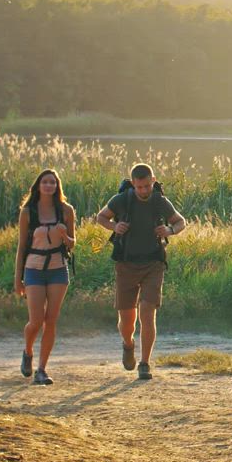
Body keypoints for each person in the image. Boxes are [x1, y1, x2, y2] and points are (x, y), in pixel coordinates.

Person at [96, 163, 185, 381]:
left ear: (153, 181)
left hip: (153, 263)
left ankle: (145, 363)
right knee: (127, 320)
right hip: (126, 263)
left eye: (147, 186)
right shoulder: (122, 200)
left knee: (147, 312)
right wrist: (114, 227)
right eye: (139, 187)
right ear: (133, 184)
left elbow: (181, 221)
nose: (144, 191)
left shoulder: (159, 201)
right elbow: (101, 217)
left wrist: (170, 230)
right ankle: (128, 344)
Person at [14, 168, 76, 386]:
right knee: (36, 321)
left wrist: (64, 235)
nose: (49, 186)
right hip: (33, 268)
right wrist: (18, 279)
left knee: (51, 320)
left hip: (58, 268)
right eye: (45, 182)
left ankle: (42, 369)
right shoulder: (28, 212)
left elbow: (72, 244)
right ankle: (28, 351)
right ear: (38, 186)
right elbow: (22, 247)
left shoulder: (66, 210)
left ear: (57, 186)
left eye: (53, 182)